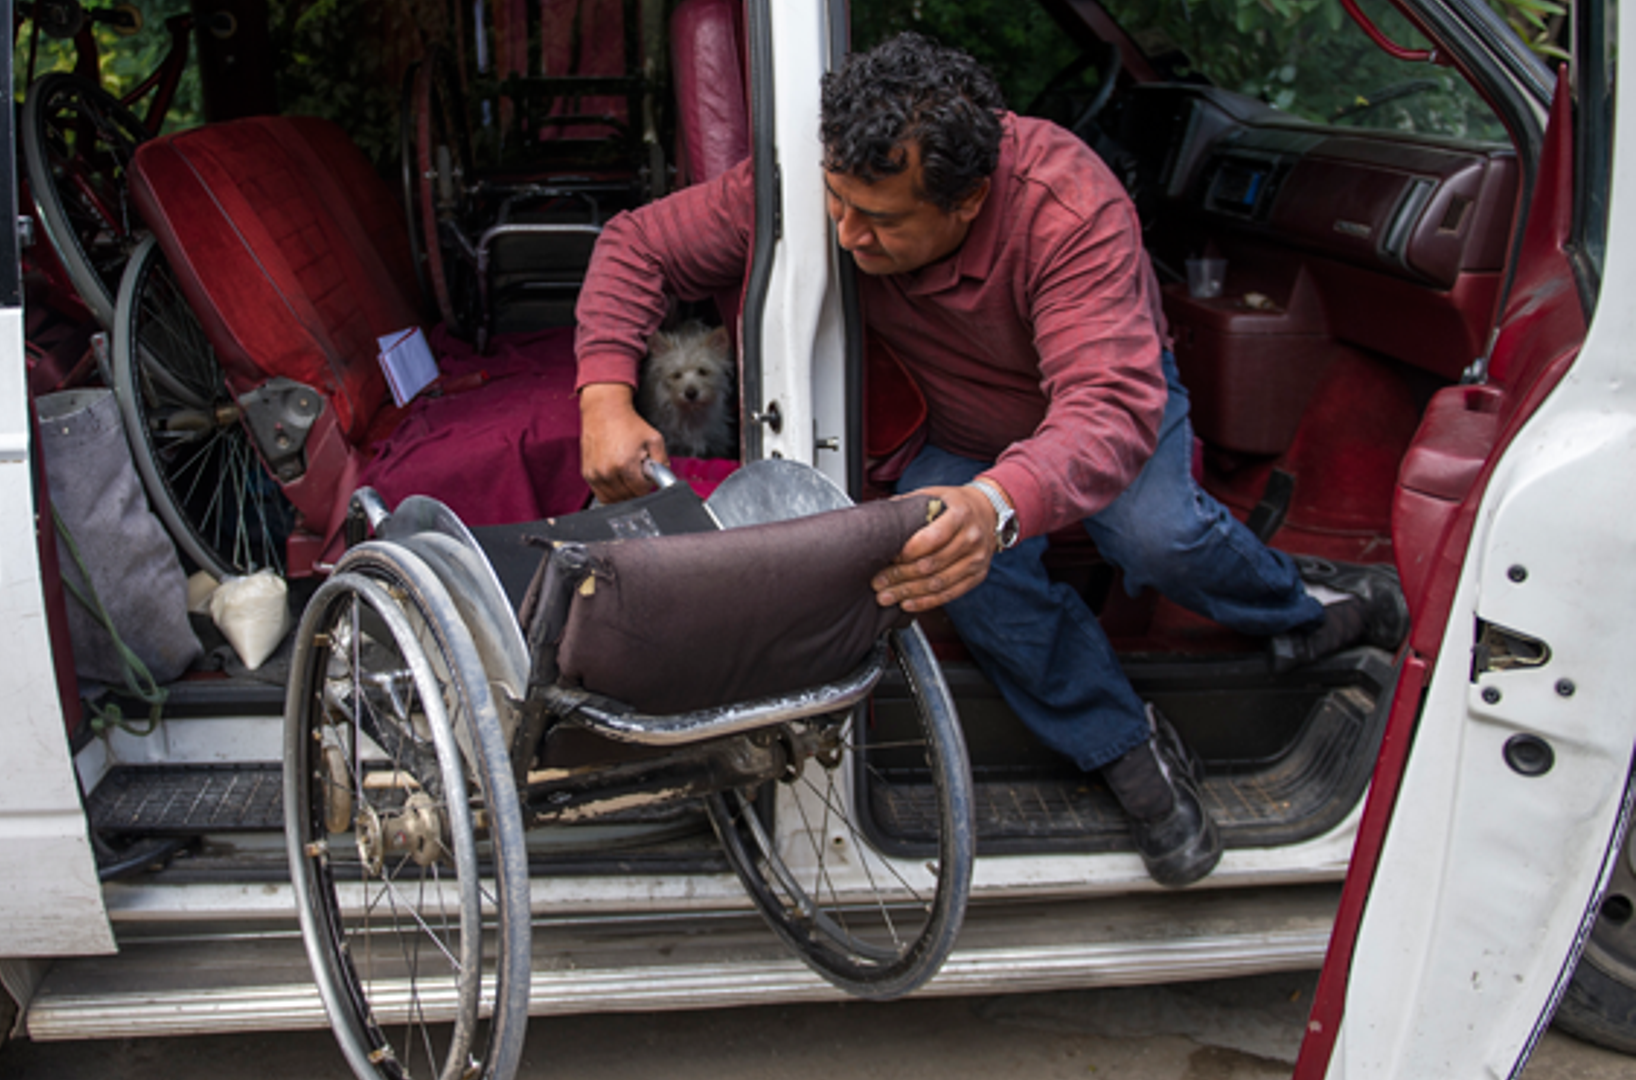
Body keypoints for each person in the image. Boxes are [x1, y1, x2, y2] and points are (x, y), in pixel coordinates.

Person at [572, 33, 1407, 887]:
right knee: (957, 572)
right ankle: (1123, 745)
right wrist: (603, 391)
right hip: (965, 431)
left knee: (1157, 535)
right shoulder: (812, 188)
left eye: (885, 220)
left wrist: (999, 503)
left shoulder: (1068, 204)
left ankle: (1307, 610)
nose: (848, 235)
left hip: (1096, 405)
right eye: (837, 202)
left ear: (969, 200)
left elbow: (1107, 410)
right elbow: (639, 245)